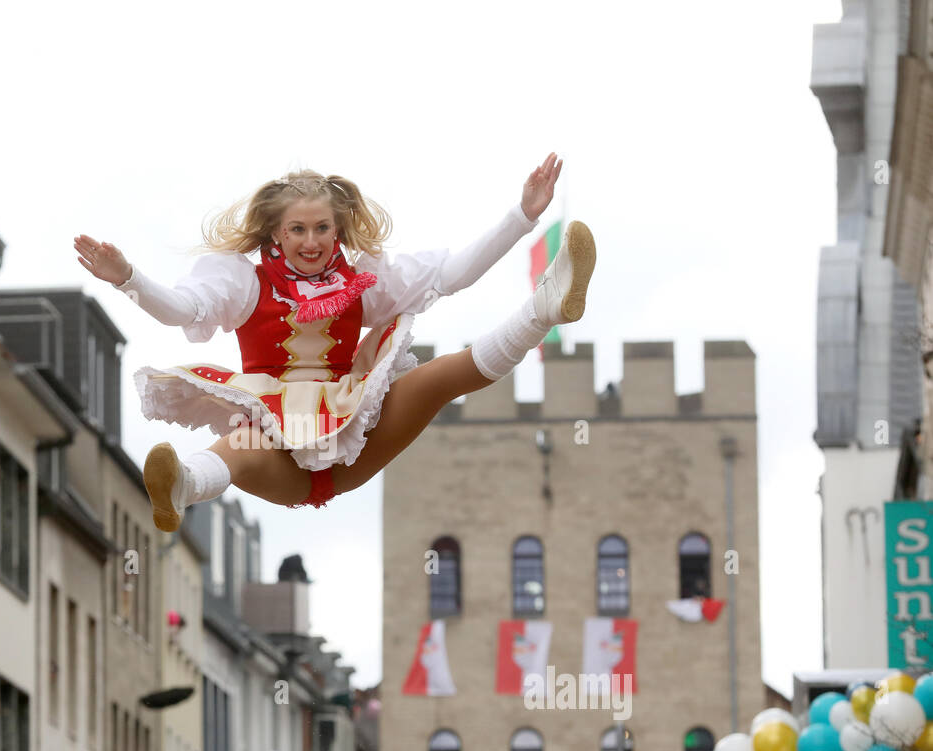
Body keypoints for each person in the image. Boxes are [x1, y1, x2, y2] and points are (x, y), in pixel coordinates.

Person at [74, 155, 594, 532]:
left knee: (436, 378)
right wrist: (129, 279)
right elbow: (182, 310)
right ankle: (182, 486)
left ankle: (544, 307)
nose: (311, 241)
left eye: (322, 228)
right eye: (297, 229)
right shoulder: (243, 282)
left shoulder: (362, 280)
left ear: (338, 231)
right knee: (239, 447)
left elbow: (453, 273)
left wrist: (521, 217)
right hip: (280, 452)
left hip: (352, 439)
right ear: (275, 234)